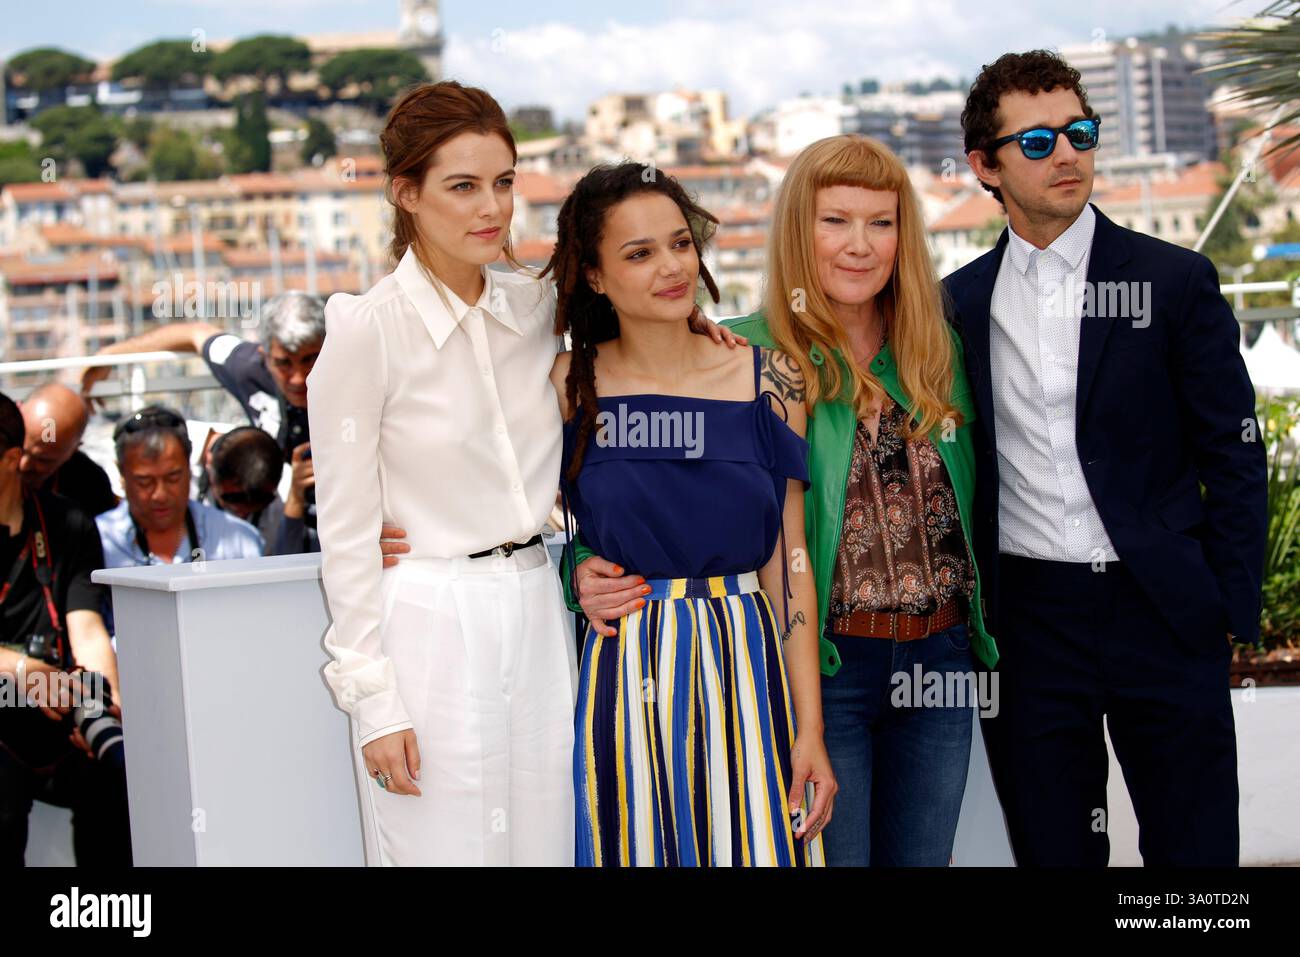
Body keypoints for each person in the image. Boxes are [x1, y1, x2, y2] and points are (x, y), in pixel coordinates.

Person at [309, 81, 744, 867]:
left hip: (540, 613)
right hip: (430, 623)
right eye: (463, 186)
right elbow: (343, 540)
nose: (492, 208)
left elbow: (641, 314)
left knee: (549, 849)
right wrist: (374, 704)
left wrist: (697, 324)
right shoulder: (366, 331)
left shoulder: (537, 310)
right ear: (406, 194)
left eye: (504, 182)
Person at [569, 135, 996, 866]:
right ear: (800, 231)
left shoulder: (940, 350)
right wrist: (580, 560)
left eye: (881, 222)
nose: (860, 245)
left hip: (941, 658)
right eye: (835, 221)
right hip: (825, 662)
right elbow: (649, 486)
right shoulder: (749, 356)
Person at [948, 49, 1266, 866]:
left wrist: (1227, 607)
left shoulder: (1174, 281)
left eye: (1080, 132)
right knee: (1054, 849)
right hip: (1030, 624)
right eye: (1038, 141)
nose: (1067, 154)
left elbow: (1233, 455)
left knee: (1194, 856)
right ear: (984, 165)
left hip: (1160, 609)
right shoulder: (958, 303)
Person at [547, 161, 832, 866]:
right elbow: (523, 521)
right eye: (638, 254)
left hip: (749, 658)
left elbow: (787, 559)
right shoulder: (568, 383)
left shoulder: (774, 378)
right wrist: (575, 566)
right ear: (593, 274)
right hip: (628, 665)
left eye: (680, 243)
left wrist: (809, 728)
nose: (671, 267)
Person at [82, 291, 326, 554]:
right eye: (284, 363)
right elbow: (195, 334)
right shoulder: (247, 367)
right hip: (294, 520)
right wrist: (111, 355)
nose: (298, 378)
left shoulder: (358, 375)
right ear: (263, 354)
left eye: (310, 359)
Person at [0, 391, 131, 866]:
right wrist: (25, 670)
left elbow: (88, 629)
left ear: (11, 459)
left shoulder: (66, 521)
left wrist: (105, 707)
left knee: (117, 780)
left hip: (57, 711)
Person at [96, 406, 264, 573]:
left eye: (173, 478)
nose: (160, 495)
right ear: (122, 474)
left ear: (189, 469)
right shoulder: (97, 541)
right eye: (145, 482)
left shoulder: (238, 540)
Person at [17, 384, 118, 517]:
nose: (23, 465)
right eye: (19, 450)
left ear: (73, 450)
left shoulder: (90, 483)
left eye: (44, 460)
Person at [200, 426, 292, 556]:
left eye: (261, 501)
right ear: (209, 466)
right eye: (233, 498)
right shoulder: (175, 465)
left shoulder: (286, 495)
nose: (242, 513)